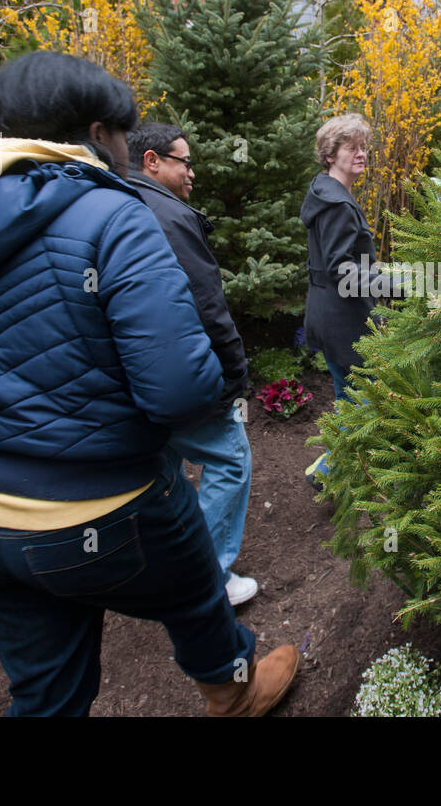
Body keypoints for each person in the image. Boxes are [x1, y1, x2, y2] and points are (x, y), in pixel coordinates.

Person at [0, 51, 297, 716]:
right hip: (106, 512)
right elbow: (179, 390)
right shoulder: (114, 217)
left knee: (46, 697)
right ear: (98, 131)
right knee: (194, 588)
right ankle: (230, 690)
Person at [126, 122, 257, 607]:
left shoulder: (120, 204)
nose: (192, 172)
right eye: (184, 161)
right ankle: (209, 579)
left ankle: (165, 564)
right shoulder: (170, 217)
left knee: (164, 468)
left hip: (137, 379)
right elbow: (207, 303)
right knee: (230, 460)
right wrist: (235, 371)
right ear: (152, 161)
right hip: (182, 374)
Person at [301, 113, 401, 487]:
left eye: (363, 148)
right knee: (367, 397)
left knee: (350, 395)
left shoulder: (325, 193)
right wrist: (401, 285)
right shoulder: (338, 205)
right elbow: (343, 271)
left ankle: (337, 471)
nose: (361, 154)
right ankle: (328, 471)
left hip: (327, 313)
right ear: (330, 155)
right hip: (343, 321)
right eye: (351, 148)